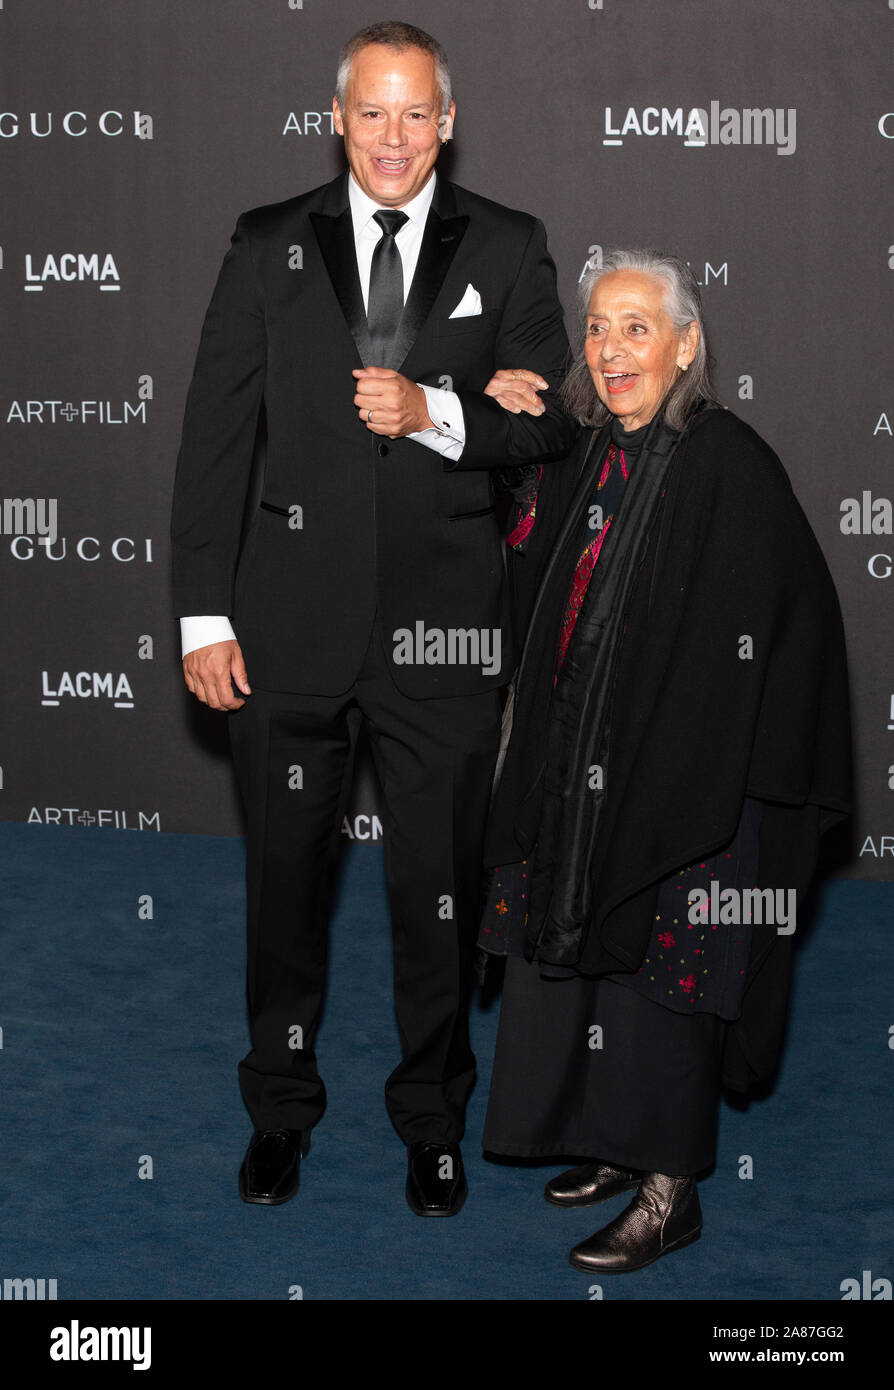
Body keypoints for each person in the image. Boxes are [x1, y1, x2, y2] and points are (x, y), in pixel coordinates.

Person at [170, 21, 576, 1217]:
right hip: (286, 631)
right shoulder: (264, 245)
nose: (393, 139)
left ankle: (433, 1119)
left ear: (446, 121)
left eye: (416, 115)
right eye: (371, 113)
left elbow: (550, 418)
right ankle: (280, 1108)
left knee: (435, 899)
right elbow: (212, 442)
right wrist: (203, 618)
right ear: (335, 118)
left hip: (444, 642)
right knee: (284, 890)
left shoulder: (510, 247)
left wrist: (438, 410)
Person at [477, 249, 851, 1271]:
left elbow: (793, 628)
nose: (611, 347)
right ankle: (609, 1138)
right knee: (589, 963)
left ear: (686, 344)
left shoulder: (730, 461)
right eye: (598, 327)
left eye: (638, 327)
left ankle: (668, 1189)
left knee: (659, 988)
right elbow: (536, 577)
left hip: (691, 798)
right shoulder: (591, 452)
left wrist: (720, 772)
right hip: (581, 775)